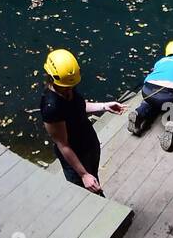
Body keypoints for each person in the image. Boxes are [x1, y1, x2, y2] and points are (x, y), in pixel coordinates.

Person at [40, 49, 125, 193]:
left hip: (89, 144)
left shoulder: (67, 87)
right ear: (51, 77)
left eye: (71, 86)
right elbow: (63, 145)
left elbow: (79, 106)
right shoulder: (51, 107)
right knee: (85, 190)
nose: (70, 89)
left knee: (95, 179)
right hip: (75, 156)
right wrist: (83, 174)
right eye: (67, 86)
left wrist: (104, 106)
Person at [127, 40, 173, 150]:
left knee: (152, 102)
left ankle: (139, 113)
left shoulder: (160, 61)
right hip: (170, 95)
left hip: (147, 89)